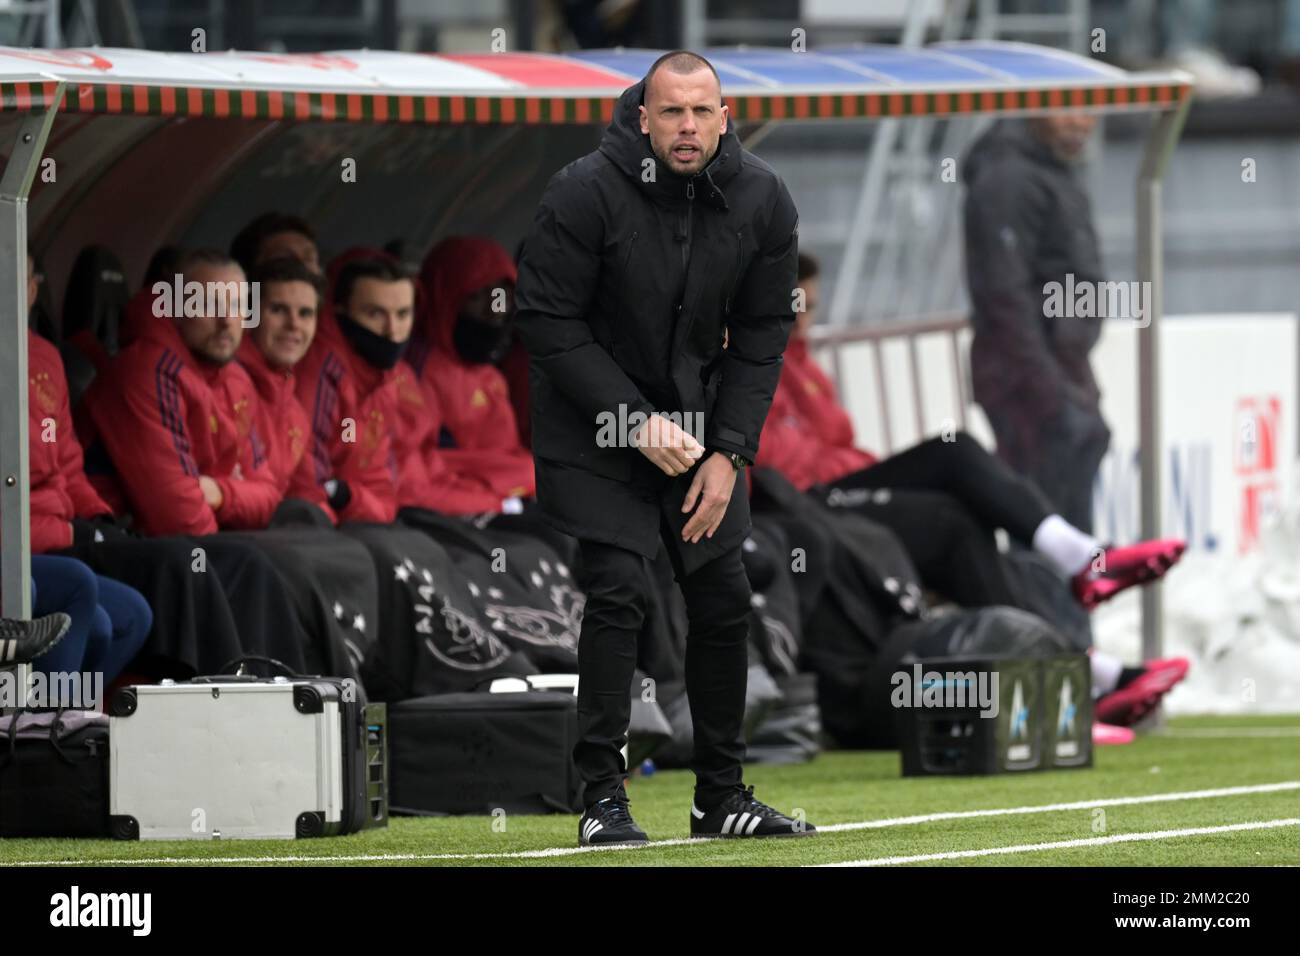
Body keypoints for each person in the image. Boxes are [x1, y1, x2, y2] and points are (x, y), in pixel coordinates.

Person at [516, 49, 812, 845]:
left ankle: (721, 797)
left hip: (699, 429)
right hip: (595, 427)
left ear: (725, 117)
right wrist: (631, 419)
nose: (686, 128)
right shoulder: (583, 190)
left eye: (701, 112)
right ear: (642, 115)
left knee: (722, 599)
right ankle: (601, 801)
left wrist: (730, 454)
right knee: (617, 592)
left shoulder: (762, 197)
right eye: (671, 112)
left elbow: (761, 335)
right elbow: (545, 321)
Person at [758, 252, 1190, 723]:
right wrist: (836, 458)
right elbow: (774, 459)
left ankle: (1081, 667)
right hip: (797, 507)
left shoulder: (802, 367)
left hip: (832, 492)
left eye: (812, 305)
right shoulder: (750, 361)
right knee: (953, 459)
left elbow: (828, 447)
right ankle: (1081, 592)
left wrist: (837, 458)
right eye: (794, 302)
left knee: (964, 517)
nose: (803, 316)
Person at [963, 112, 1110, 534]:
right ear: (1035, 106)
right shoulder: (1009, 177)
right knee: (1047, 522)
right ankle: (1047, 600)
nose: (1082, 122)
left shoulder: (1050, 171)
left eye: (1089, 108)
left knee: (1069, 518)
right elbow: (1003, 296)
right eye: (1069, 108)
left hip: (1060, 371)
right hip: (1029, 380)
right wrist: (1050, 389)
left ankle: (1068, 599)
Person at [81, 249, 281, 536]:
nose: (226, 320)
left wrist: (220, 493)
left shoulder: (234, 376)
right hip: (127, 539)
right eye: (208, 304)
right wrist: (231, 497)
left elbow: (270, 496)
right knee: (262, 565)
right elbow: (179, 518)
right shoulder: (148, 369)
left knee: (320, 551)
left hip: (208, 531)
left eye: (237, 305)